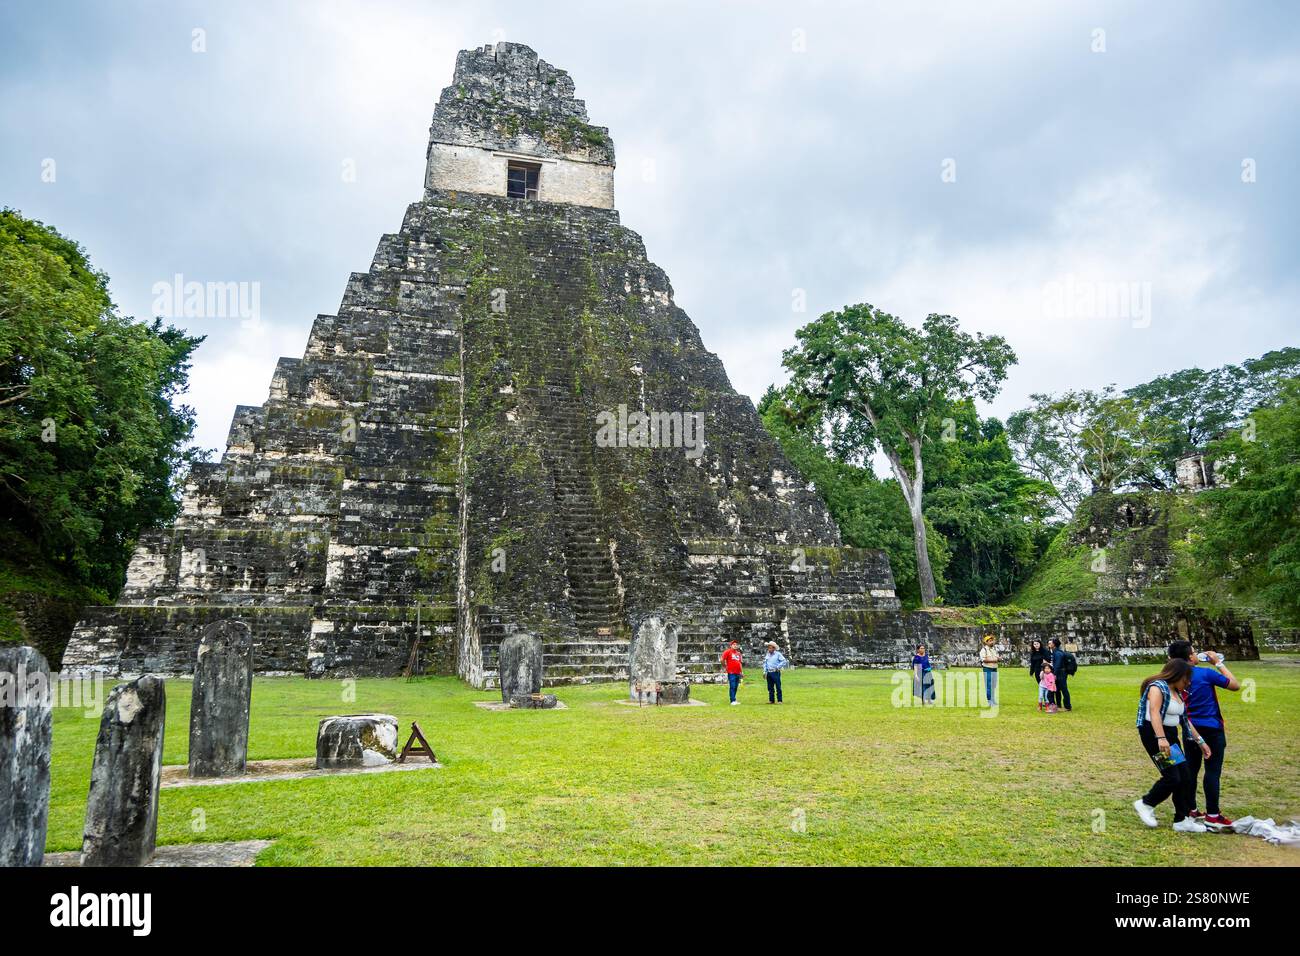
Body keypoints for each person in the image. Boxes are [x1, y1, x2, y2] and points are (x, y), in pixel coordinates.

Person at [1133, 658, 1212, 832]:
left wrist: (1201, 742)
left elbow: (1185, 721)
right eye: (1186, 679)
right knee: (1172, 776)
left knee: (1184, 776)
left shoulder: (1177, 693)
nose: (1188, 683)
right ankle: (1146, 803)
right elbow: (1154, 713)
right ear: (1177, 675)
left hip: (1169, 735)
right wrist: (1161, 738)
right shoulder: (1157, 687)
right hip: (1154, 734)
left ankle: (1181, 819)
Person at [1168, 640, 1240, 831]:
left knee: (1191, 770)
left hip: (1189, 728)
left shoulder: (1173, 678)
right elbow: (1234, 685)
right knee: (1212, 771)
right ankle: (1213, 814)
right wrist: (1218, 662)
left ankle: (1191, 809)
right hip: (1211, 727)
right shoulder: (1205, 673)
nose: (1196, 654)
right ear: (1190, 657)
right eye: (1193, 652)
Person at [1049, 638, 1073, 711]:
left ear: (1054, 644)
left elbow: (1058, 665)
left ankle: (1067, 706)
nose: (1049, 644)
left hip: (1061, 673)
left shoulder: (1058, 653)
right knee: (1057, 690)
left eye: (1051, 643)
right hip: (1059, 672)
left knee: (1064, 689)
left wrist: (1054, 674)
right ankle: (1059, 705)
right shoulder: (1055, 652)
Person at [721, 640, 743, 705]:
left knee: (736, 686)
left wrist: (742, 672)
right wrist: (725, 666)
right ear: (731, 645)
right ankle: (732, 700)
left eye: (736, 644)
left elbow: (740, 663)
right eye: (734, 644)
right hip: (731, 672)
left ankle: (734, 699)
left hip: (738, 672)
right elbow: (722, 659)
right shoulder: (727, 652)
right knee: (732, 686)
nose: (735, 645)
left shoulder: (738, 653)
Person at [978, 634, 999, 705]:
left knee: (994, 685)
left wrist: (999, 659)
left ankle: (993, 699)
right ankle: (989, 700)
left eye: (992, 640)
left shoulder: (994, 649)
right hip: (987, 669)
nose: (992, 642)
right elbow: (983, 660)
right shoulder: (983, 650)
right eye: (990, 641)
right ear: (986, 642)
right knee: (989, 685)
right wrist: (994, 660)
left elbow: (996, 657)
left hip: (994, 669)